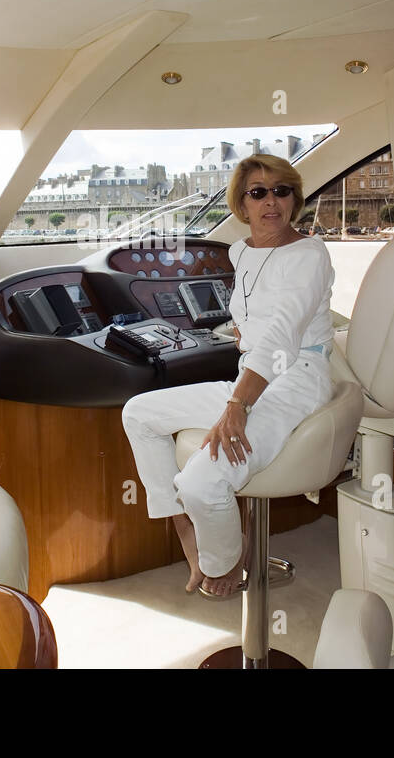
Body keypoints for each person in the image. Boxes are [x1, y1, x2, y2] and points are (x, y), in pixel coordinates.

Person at [122, 154, 335, 597]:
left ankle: (224, 562)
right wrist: (243, 333)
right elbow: (258, 320)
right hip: (252, 374)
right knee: (138, 413)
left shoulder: (309, 254)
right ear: (242, 202)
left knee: (202, 481)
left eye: (281, 190)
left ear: (295, 198)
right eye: (258, 192)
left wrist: (237, 406)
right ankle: (184, 530)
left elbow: (282, 333)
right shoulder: (240, 251)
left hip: (296, 379)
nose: (270, 201)